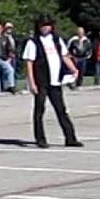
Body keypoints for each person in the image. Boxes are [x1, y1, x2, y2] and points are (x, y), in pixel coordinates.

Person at [23, 16, 82, 148]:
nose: (45, 27)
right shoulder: (33, 42)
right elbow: (29, 63)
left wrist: (73, 69)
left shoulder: (57, 40)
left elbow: (64, 56)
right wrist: (32, 83)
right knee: (39, 110)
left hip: (55, 81)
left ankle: (70, 138)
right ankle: (40, 139)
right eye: (42, 25)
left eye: (48, 25)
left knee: (61, 110)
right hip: (41, 81)